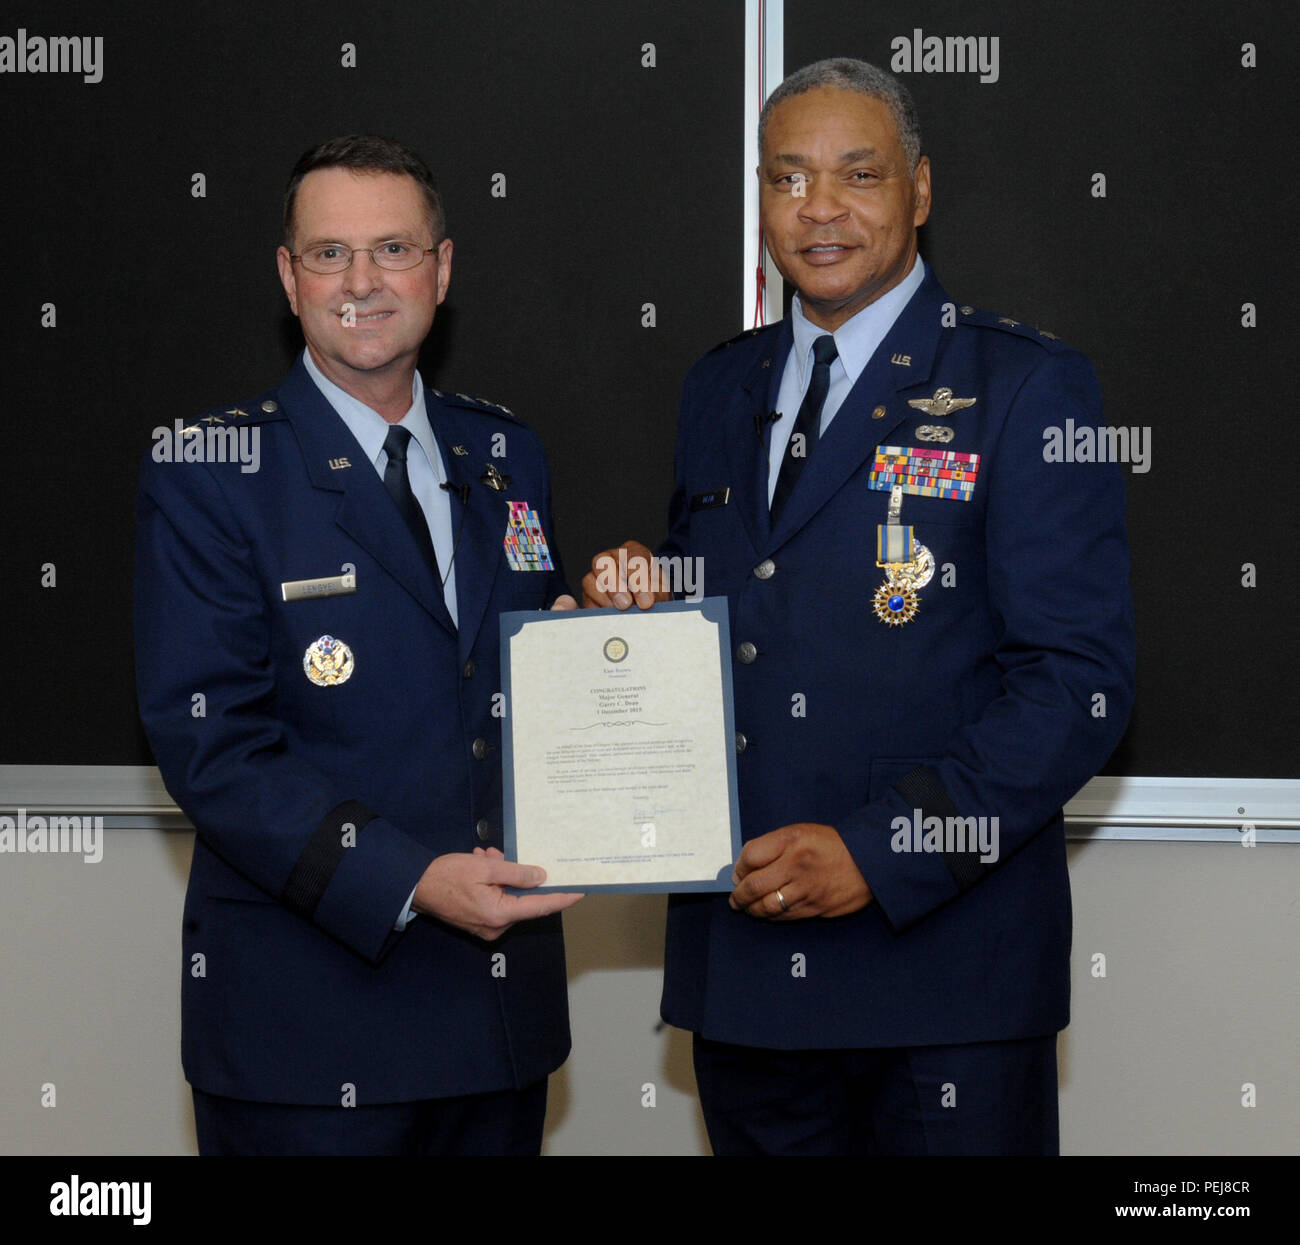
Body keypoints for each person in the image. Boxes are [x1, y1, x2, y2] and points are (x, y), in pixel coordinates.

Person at [583, 59, 1135, 1155]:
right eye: (786, 179)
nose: (818, 209)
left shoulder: (1024, 385)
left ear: (919, 191)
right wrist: (638, 596)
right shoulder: (719, 386)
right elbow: (737, 611)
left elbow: (1077, 686)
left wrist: (883, 853)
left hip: (945, 980)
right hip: (747, 975)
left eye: (855, 175)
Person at [135, 134, 580, 1156]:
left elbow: (514, 677)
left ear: (443, 268)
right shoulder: (210, 469)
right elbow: (215, 747)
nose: (363, 282)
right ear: (289, 278)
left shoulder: (508, 453)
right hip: (308, 1024)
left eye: (393, 248)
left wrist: (599, 647)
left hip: (494, 1022)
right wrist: (414, 880)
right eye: (329, 254)